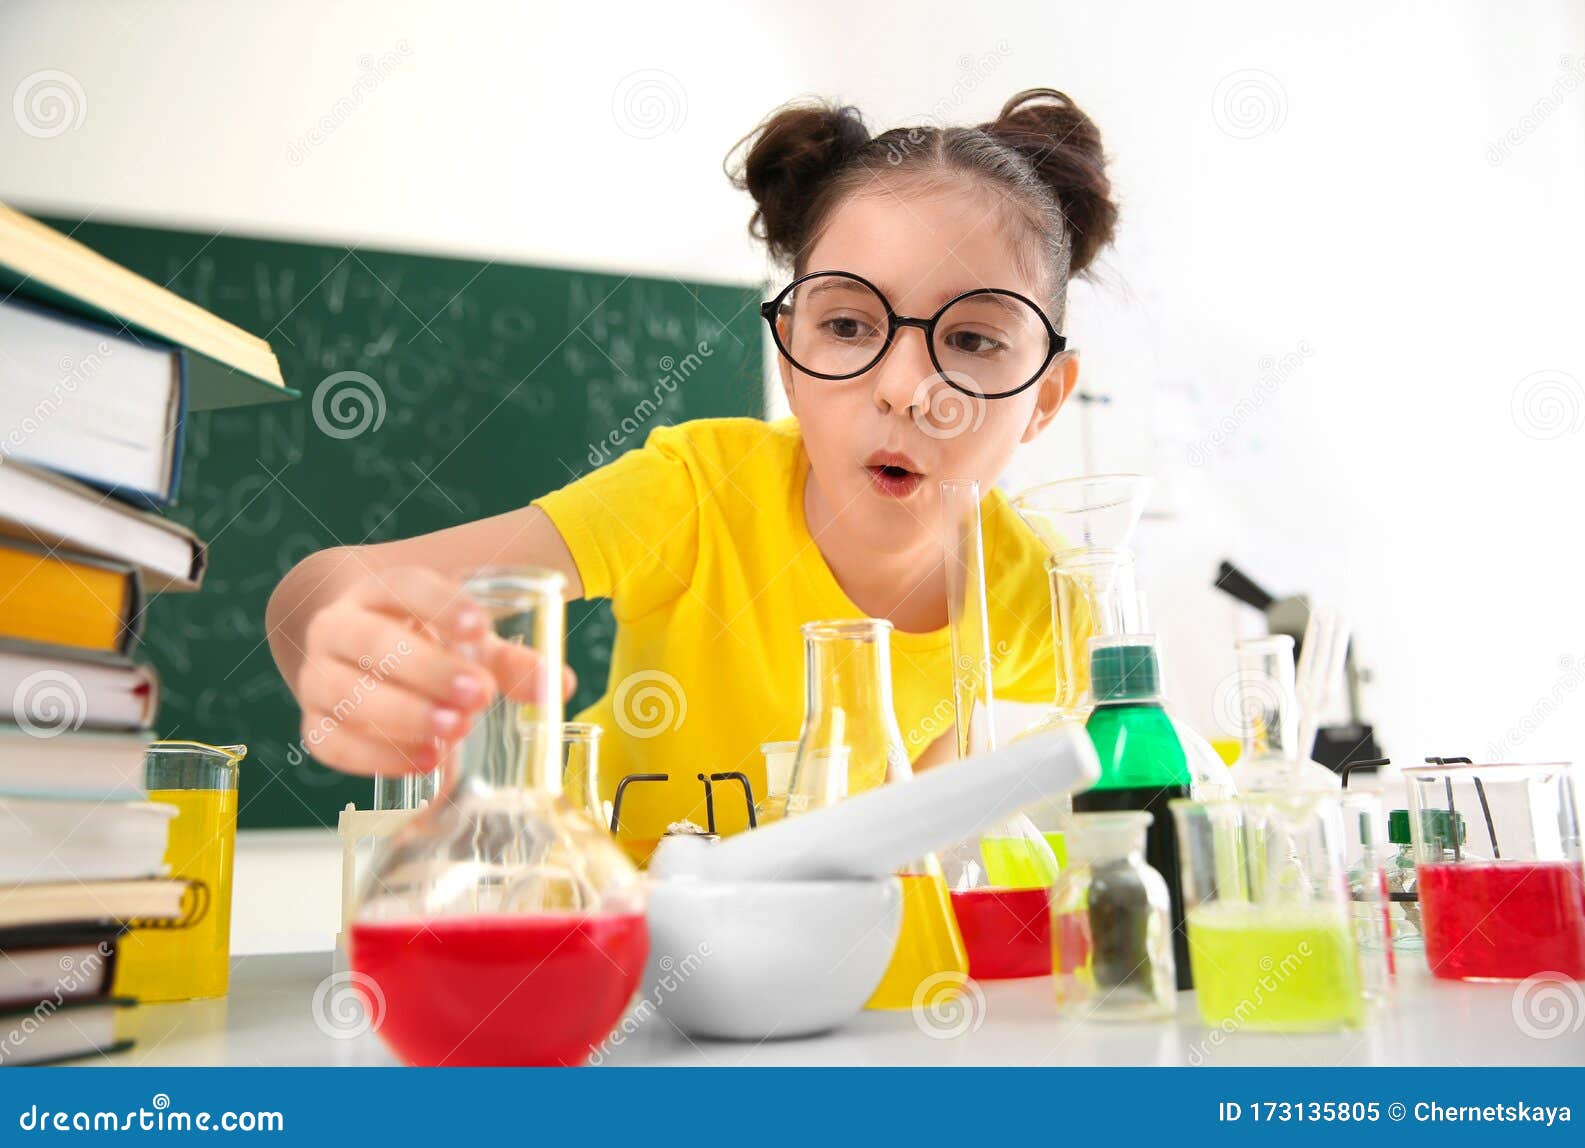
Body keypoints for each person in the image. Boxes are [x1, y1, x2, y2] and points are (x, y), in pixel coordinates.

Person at [265, 86, 1118, 854]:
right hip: (603, 968)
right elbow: (329, 586)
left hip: (861, 1004)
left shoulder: (1049, 601)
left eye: (971, 340)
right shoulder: (695, 493)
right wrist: (340, 633)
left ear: (1046, 396)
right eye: (849, 325)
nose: (902, 389)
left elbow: (961, 842)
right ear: (787, 357)